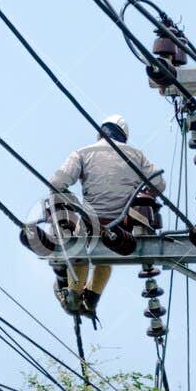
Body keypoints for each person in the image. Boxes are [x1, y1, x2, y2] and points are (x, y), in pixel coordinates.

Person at [45, 115, 164, 320]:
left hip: (91, 222)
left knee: (80, 253)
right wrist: (140, 194)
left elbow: (56, 183)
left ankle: (74, 295)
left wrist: (71, 200)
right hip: (125, 225)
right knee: (106, 257)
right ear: (123, 138)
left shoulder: (82, 153)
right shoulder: (137, 155)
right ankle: (91, 299)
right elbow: (159, 184)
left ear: (100, 132)